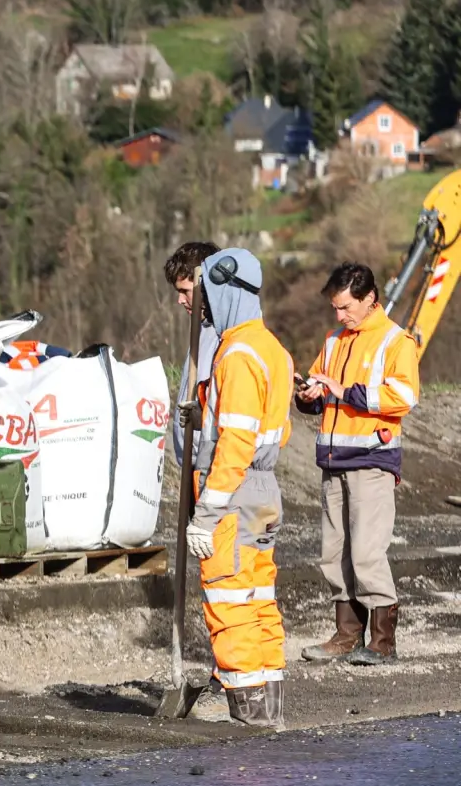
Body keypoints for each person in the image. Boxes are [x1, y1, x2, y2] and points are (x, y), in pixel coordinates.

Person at [180, 248, 293, 728]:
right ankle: (268, 708)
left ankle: (246, 710)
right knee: (258, 596)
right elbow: (269, 429)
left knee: (229, 598)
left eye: (205, 292)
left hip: (234, 492)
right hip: (263, 490)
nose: (200, 304)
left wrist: (206, 513)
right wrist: (205, 410)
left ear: (225, 291)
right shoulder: (272, 349)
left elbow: (235, 442)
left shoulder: (238, 353)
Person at [296, 262, 420, 666]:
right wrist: (308, 395)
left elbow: (404, 396)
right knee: (334, 553)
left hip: (371, 460)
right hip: (333, 461)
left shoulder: (395, 340)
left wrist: (345, 390)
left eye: (345, 307)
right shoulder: (334, 341)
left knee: (366, 552)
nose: (339, 315)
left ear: (369, 299)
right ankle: (347, 636)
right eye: (335, 307)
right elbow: (321, 390)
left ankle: (383, 642)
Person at [164, 241, 221, 468]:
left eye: (184, 291)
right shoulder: (201, 329)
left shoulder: (225, 336)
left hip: (213, 465)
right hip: (194, 465)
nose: (179, 300)